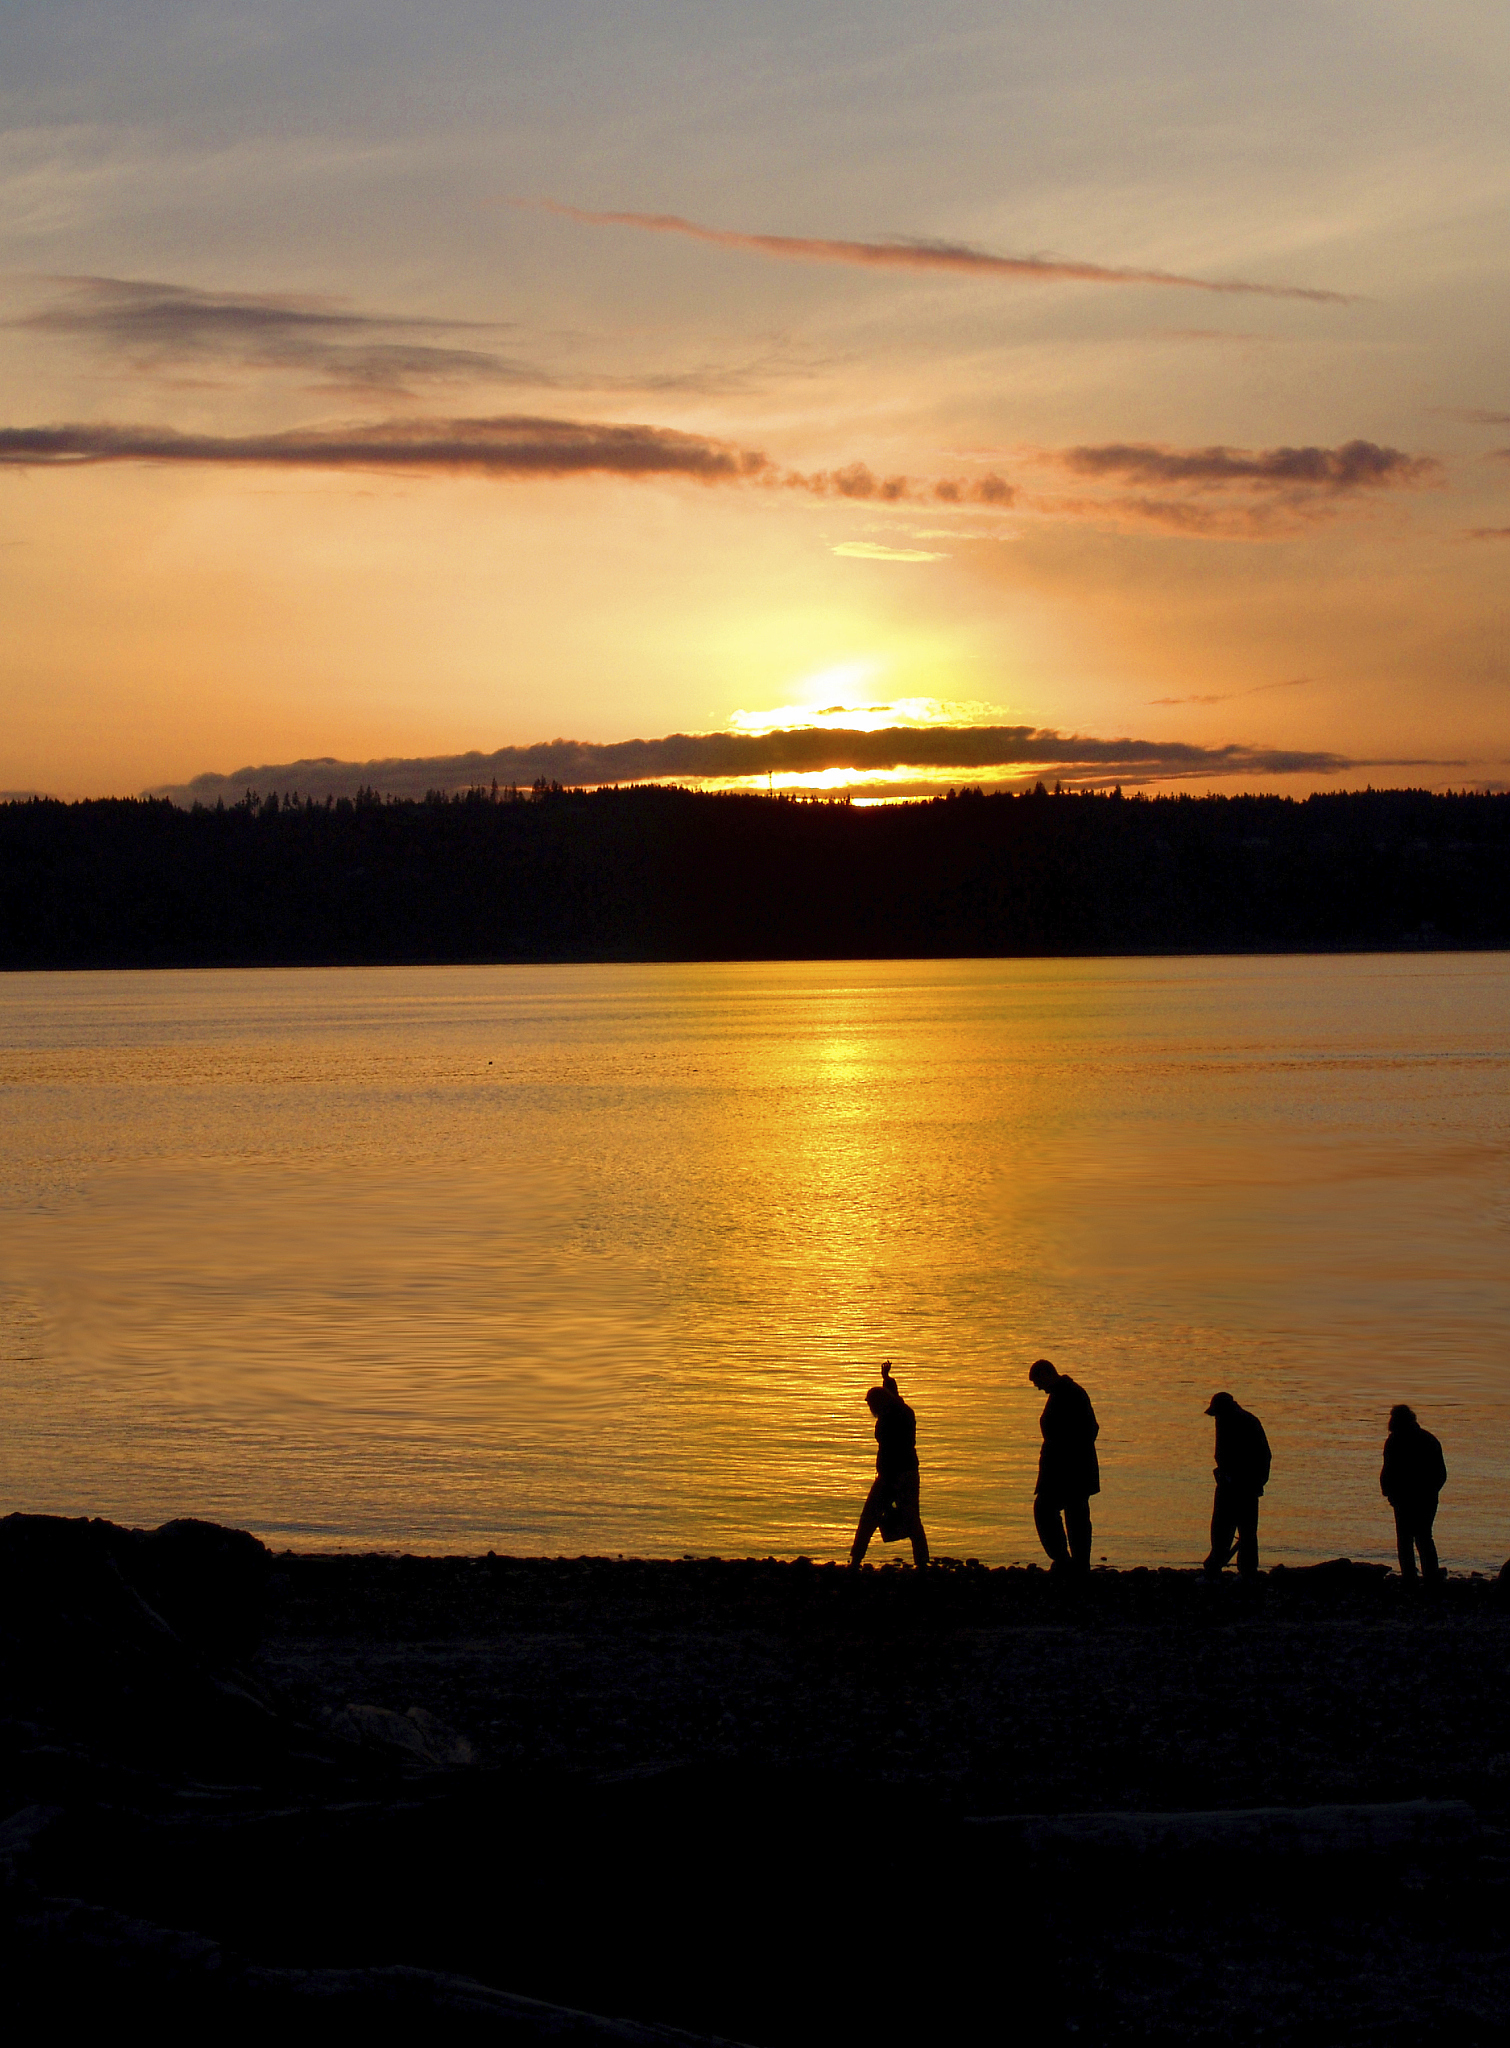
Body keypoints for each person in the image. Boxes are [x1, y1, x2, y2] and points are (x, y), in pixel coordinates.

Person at [849, 1361, 929, 1570]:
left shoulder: (896, 1416)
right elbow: (893, 1395)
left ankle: (856, 1561)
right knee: (910, 1520)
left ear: (879, 1404)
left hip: (897, 1475)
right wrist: (886, 1378)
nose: (870, 1409)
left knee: (872, 1518)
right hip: (899, 1473)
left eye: (870, 1405)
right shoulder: (899, 1410)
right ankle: (922, 1563)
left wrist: (890, 1477)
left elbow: (893, 1400)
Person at [1028, 1359, 1100, 1573]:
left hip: (1069, 1470)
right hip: (1066, 1469)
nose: (1038, 1388)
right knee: (1072, 1515)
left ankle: (1070, 1563)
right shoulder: (1064, 1393)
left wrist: (1067, 1451)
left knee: (1056, 1512)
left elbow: (1090, 1429)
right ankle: (1072, 1564)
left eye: (1037, 1382)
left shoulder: (1070, 1394)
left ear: (1047, 1374)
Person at [1203, 1391, 1271, 1579]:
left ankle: (1243, 1571)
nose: (1216, 1418)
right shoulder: (1233, 1420)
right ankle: (1223, 1567)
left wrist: (1256, 1482)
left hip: (1244, 1486)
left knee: (1240, 1530)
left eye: (1217, 1413)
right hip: (1231, 1484)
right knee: (1228, 1529)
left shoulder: (1245, 1423)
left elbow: (1263, 1456)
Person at [1380, 1404, 1446, 1584]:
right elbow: (1441, 1474)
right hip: (1423, 1498)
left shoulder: (1394, 1441)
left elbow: (1387, 1472)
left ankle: (1410, 1578)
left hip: (1405, 1498)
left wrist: (1389, 1493)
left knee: (1406, 1539)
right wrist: (1431, 1492)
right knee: (1423, 1537)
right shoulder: (1429, 1439)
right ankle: (1430, 1577)